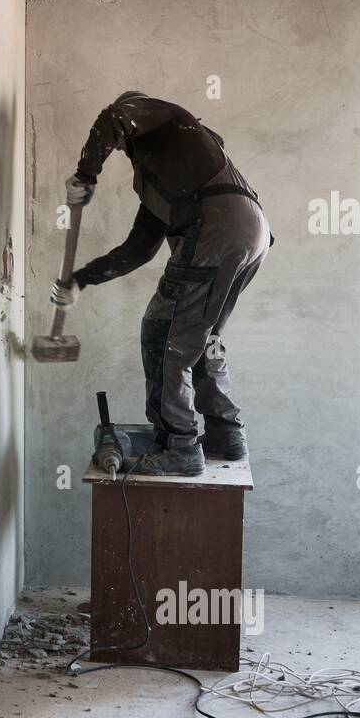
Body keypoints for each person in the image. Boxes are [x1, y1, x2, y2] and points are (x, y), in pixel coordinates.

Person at [52, 91, 272, 476]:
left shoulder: (167, 120)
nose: (117, 144)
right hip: (248, 232)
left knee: (164, 332)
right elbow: (138, 250)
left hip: (216, 228)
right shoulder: (166, 181)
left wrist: (86, 174)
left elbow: (114, 115)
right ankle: (225, 434)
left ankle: (180, 446)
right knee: (200, 338)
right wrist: (81, 280)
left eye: (119, 141)